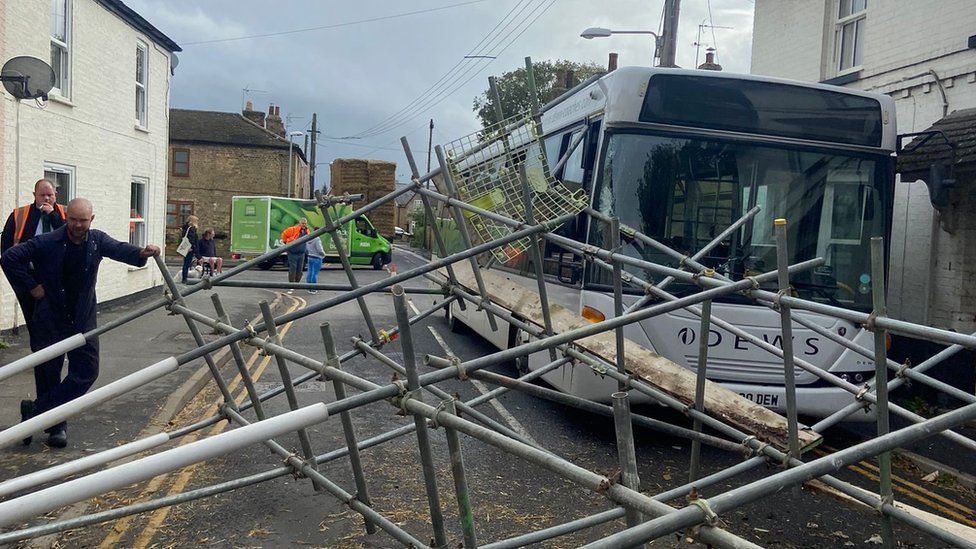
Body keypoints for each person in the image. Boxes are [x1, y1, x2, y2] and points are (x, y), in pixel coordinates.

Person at [0, 198, 160, 448]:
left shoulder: (96, 241)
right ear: (66, 218)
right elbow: (9, 258)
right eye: (73, 219)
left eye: (83, 220)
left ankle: (34, 411)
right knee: (48, 374)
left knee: (86, 372)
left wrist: (142, 253)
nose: (77, 225)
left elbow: (119, 249)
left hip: (82, 319)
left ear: (91, 219)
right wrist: (32, 287)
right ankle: (56, 428)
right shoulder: (48, 241)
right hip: (50, 319)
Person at [281, 217, 309, 293]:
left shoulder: (307, 231)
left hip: (301, 253)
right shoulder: (292, 229)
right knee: (293, 269)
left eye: (305, 223)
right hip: (292, 252)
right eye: (302, 223)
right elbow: (283, 235)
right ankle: (291, 285)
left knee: (300, 270)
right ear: (299, 223)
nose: (304, 225)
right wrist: (287, 243)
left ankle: (296, 284)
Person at [179, 215, 200, 284]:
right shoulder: (192, 229)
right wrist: (192, 247)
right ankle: (184, 278)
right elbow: (192, 239)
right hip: (189, 249)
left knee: (186, 263)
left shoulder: (185, 228)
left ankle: (184, 277)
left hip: (186, 248)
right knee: (187, 263)